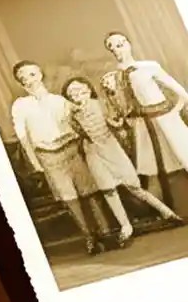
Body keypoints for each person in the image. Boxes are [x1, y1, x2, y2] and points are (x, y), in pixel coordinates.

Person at [64, 77, 181, 246]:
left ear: (88, 90)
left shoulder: (101, 104)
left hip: (111, 147)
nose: (76, 94)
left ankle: (167, 213)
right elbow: (78, 132)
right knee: (108, 190)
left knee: (134, 186)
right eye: (71, 92)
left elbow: (117, 123)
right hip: (93, 152)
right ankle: (125, 226)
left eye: (80, 89)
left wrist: (116, 118)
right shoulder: (72, 114)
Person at [10, 61, 103, 253]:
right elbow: (23, 137)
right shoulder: (20, 105)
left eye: (32, 74)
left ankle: (105, 231)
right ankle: (89, 237)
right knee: (69, 198)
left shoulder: (59, 100)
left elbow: (81, 117)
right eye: (23, 77)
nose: (28, 79)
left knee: (89, 192)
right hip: (48, 156)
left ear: (40, 74)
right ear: (20, 83)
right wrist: (35, 163)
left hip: (71, 149)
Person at [105, 32, 188, 204]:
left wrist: (174, 113)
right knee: (156, 167)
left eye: (121, 43)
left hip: (165, 120)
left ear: (129, 44)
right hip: (143, 125)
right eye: (111, 46)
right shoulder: (114, 77)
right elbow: (122, 108)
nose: (117, 48)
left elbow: (181, 93)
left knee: (183, 155)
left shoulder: (149, 66)